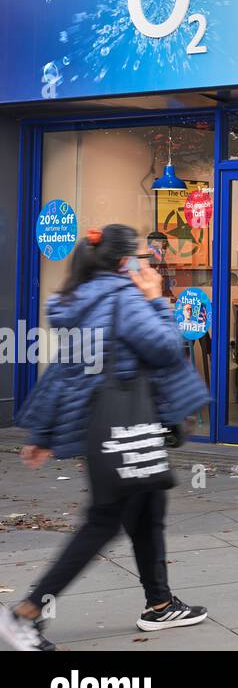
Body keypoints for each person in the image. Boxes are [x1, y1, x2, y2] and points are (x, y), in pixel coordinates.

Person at [1, 224, 210, 652]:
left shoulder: (80, 301)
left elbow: (64, 371)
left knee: (148, 511)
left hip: (103, 429)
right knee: (103, 522)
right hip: (126, 430)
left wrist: (43, 432)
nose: (140, 264)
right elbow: (167, 348)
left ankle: (160, 603)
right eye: (136, 256)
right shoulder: (124, 299)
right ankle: (26, 613)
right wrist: (157, 301)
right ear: (122, 261)